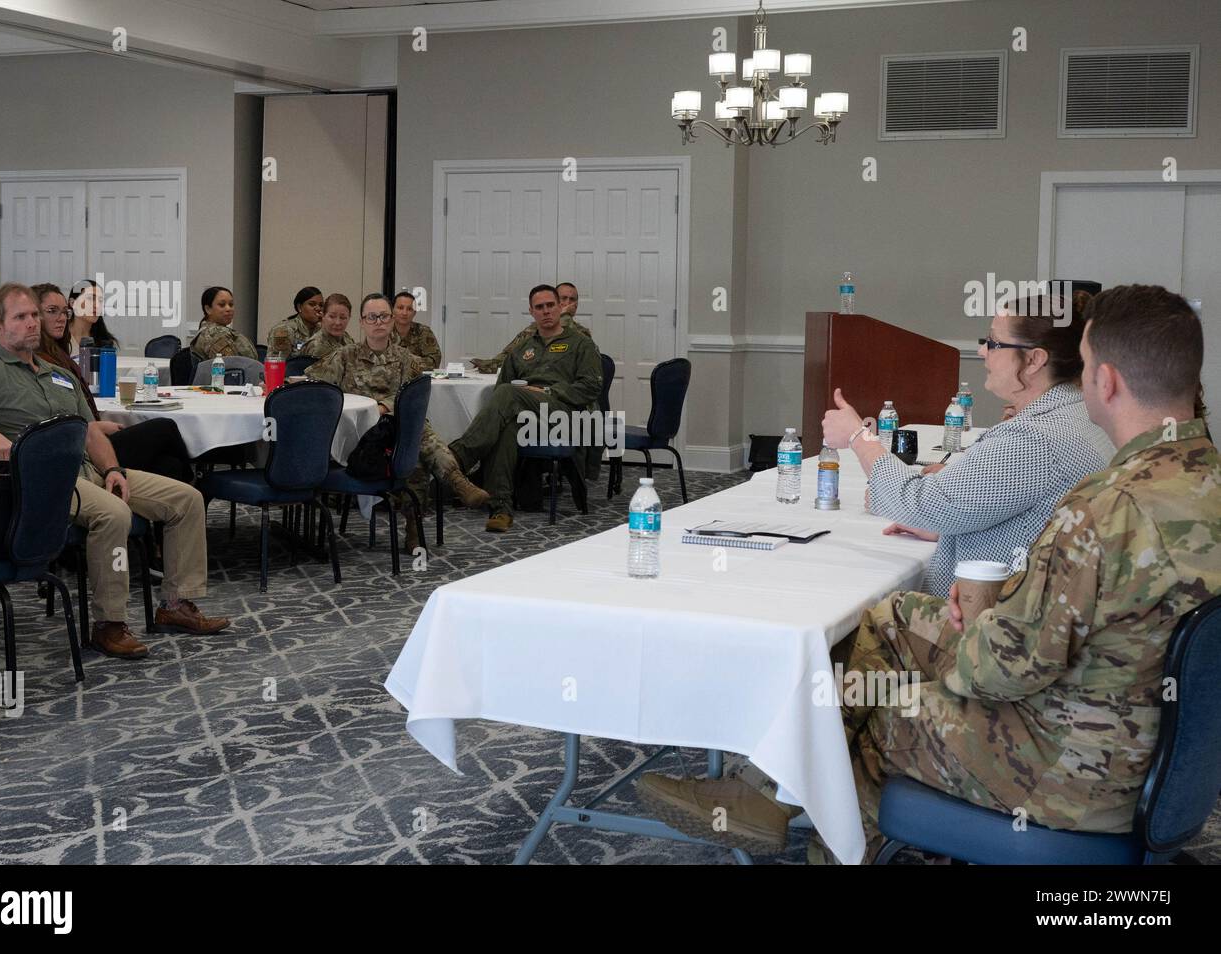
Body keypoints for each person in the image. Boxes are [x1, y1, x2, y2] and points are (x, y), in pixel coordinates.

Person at [637, 284, 1221, 862]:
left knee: (879, 713)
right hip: (1163, 752)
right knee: (894, 622)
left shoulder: (1102, 511)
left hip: (1076, 770)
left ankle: (817, 835)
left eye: (1087, 366)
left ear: (1107, 380)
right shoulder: (1201, 480)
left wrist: (974, 628)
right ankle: (770, 799)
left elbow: (1004, 669)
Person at [0, 283, 230, 660]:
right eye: (21, 317)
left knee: (186, 499)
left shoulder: (60, 375)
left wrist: (114, 468)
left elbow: (89, 432)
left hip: (89, 468)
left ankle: (177, 605)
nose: (33, 324)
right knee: (114, 514)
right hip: (45, 481)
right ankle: (110, 624)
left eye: (35, 315)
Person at [821, 292, 1113, 598]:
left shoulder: (1034, 438)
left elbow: (919, 502)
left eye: (994, 343)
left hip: (986, 626)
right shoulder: (1082, 414)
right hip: (1036, 604)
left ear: (1035, 360)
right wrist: (954, 521)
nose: (982, 351)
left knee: (854, 614)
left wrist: (859, 437)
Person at [306, 293, 489, 551]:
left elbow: (411, 396)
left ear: (392, 320)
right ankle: (456, 481)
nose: (378, 321)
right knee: (415, 435)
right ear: (362, 322)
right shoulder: (345, 356)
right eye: (372, 317)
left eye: (383, 316)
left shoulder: (405, 359)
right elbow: (315, 383)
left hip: (394, 430)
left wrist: (386, 406)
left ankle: (416, 522)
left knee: (414, 443)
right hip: (360, 434)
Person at [448, 284, 603, 533]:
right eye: (539, 307)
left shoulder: (580, 344)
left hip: (562, 414)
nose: (546, 312)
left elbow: (591, 387)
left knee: (510, 394)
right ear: (531, 311)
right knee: (507, 425)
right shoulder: (522, 349)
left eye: (550, 305)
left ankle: (457, 456)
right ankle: (500, 509)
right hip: (526, 417)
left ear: (559, 307)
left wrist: (549, 392)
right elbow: (502, 389)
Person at [34, 283, 194, 484]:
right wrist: (94, 427)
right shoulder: (42, 359)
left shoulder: (61, 351)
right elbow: (56, 412)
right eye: (52, 311)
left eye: (64, 312)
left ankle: (184, 497)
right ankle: (197, 482)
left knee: (169, 465)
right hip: (84, 446)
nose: (61, 318)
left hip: (91, 431)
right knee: (165, 426)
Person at [470, 281, 592, 374]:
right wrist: (487, 365)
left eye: (572, 299)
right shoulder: (532, 331)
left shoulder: (582, 334)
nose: (568, 303)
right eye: (563, 299)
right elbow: (508, 356)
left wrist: (564, 314)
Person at [190, 286, 256, 361]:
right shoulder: (214, 334)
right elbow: (232, 365)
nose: (228, 309)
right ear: (208, 309)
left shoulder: (219, 331)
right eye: (222, 305)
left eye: (231, 304)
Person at [266, 286, 324, 358]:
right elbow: (276, 363)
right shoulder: (284, 330)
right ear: (299, 307)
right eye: (312, 304)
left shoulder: (323, 329)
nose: (318, 308)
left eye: (321, 305)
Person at [389, 291, 441, 369]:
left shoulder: (423, 332)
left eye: (409, 309)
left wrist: (407, 359)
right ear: (392, 310)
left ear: (414, 313)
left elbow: (434, 362)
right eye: (400, 308)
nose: (404, 313)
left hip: (416, 378)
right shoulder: (383, 331)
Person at [66, 279, 119, 357]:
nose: (97, 305)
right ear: (73, 303)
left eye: (100, 300)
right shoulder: (59, 335)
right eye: (90, 298)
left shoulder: (105, 341)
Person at [296, 293, 354, 361]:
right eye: (332, 317)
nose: (337, 322)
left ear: (349, 318)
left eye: (343, 317)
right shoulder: (316, 346)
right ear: (323, 316)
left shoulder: (346, 338)